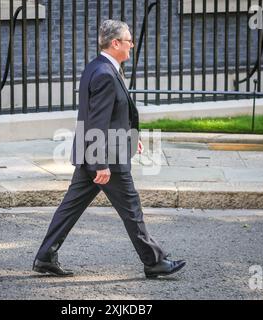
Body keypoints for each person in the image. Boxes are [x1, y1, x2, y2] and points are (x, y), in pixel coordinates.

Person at [32, 20, 186, 278]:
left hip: (94, 152)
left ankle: (45, 256)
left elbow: (111, 114)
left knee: (70, 207)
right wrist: (101, 163)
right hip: (106, 159)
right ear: (115, 43)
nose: (132, 45)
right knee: (131, 209)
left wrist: (129, 136)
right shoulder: (105, 73)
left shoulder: (98, 67)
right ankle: (154, 261)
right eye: (128, 41)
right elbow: (97, 121)